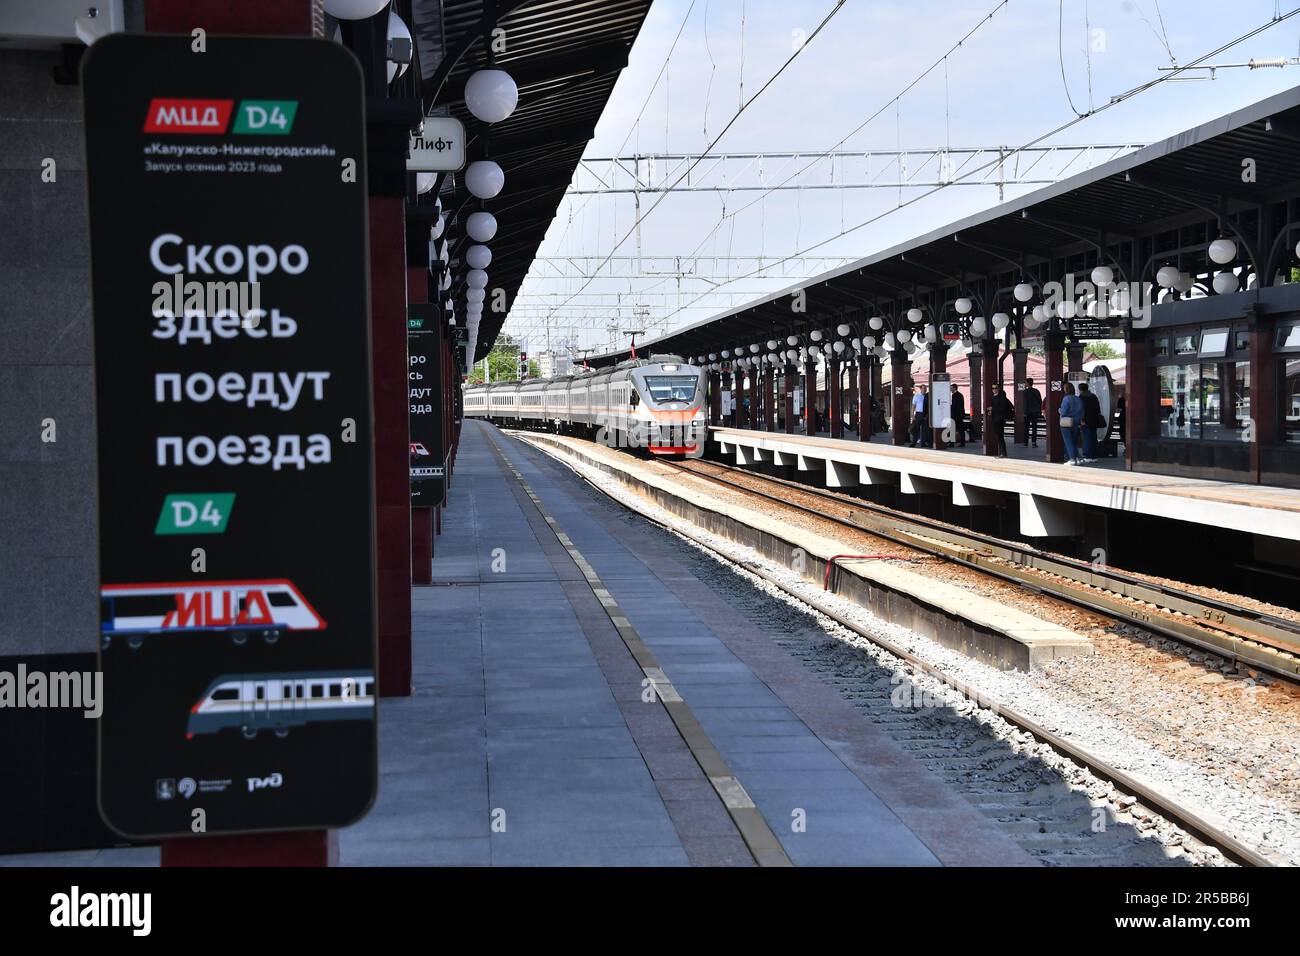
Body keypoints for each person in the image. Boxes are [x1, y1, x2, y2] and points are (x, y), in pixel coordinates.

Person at [1078, 381, 1104, 463]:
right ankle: (1094, 456)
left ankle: (1087, 456)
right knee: (1093, 438)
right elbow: (1098, 409)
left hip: (1085, 421)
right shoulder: (1094, 396)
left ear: (1080, 389)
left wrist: (1081, 420)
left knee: (1086, 438)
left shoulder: (1081, 397)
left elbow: (1081, 410)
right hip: (1094, 420)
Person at [1059, 382, 1083, 465]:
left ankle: (1072, 459)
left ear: (1066, 390)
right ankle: (1078, 458)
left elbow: (1063, 412)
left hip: (1067, 422)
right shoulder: (1078, 399)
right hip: (1076, 422)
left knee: (1068, 441)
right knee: (1073, 441)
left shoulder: (1066, 399)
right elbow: (1081, 411)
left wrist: (1060, 412)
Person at [990, 387, 1014, 457]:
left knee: (1000, 436)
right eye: (993, 388)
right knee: (999, 436)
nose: (994, 390)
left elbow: (1001, 408)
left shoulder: (1001, 399)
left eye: (995, 388)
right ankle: (1002, 452)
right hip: (997, 419)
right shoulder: (994, 398)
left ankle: (1003, 452)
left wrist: (993, 409)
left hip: (999, 419)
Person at [1023, 378, 1043, 447]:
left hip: (1027, 412)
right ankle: (1034, 442)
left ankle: (1026, 442)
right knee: (1034, 427)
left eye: (1025, 383)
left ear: (1028, 383)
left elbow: (1025, 403)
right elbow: (1040, 402)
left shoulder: (1025, 392)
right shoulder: (1036, 391)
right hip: (1035, 412)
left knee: (1026, 427)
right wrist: (1040, 411)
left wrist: (1024, 412)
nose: (1025, 384)